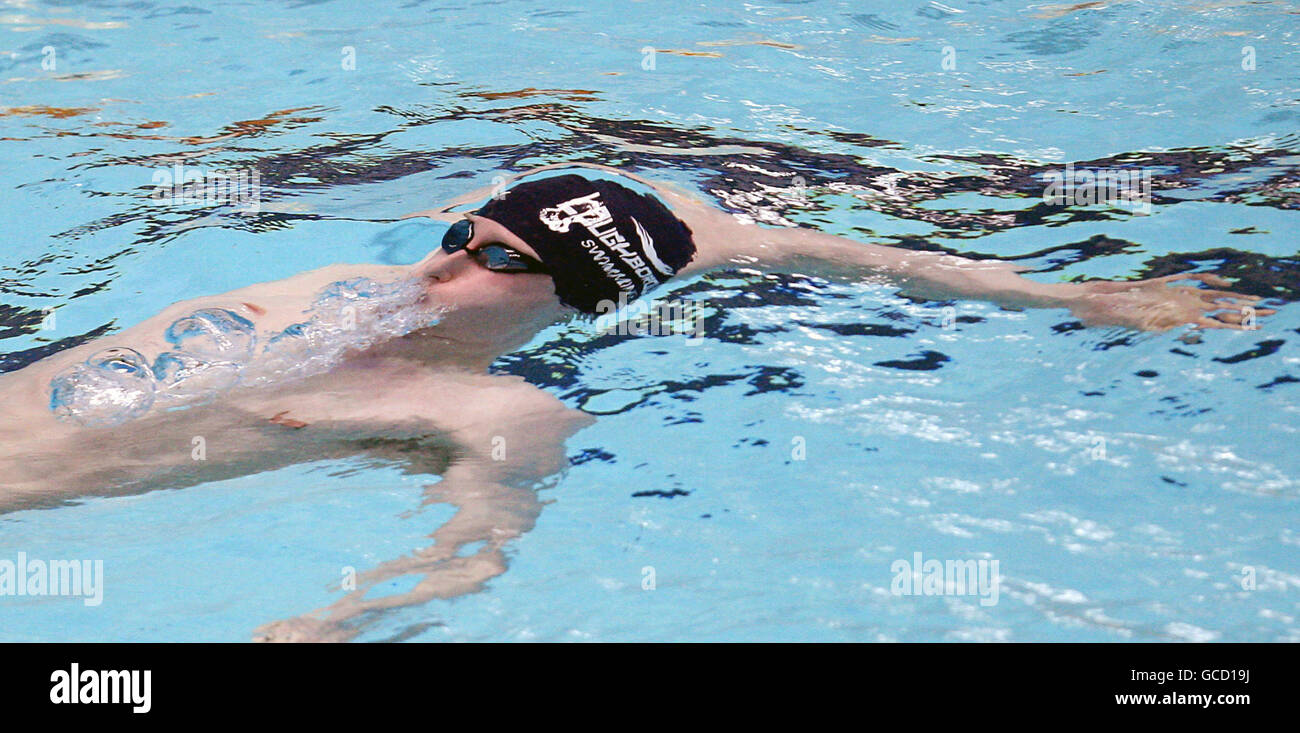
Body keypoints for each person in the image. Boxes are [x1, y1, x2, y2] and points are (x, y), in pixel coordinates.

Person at [0, 162, 1271, 641]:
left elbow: (473, 553)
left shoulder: (496, 414)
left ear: (563, 298)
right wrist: (1072, 293)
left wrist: (338, 621)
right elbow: (746, 236)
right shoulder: (357, 291)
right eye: (459, 231)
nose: (442, 261)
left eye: (493, 258)